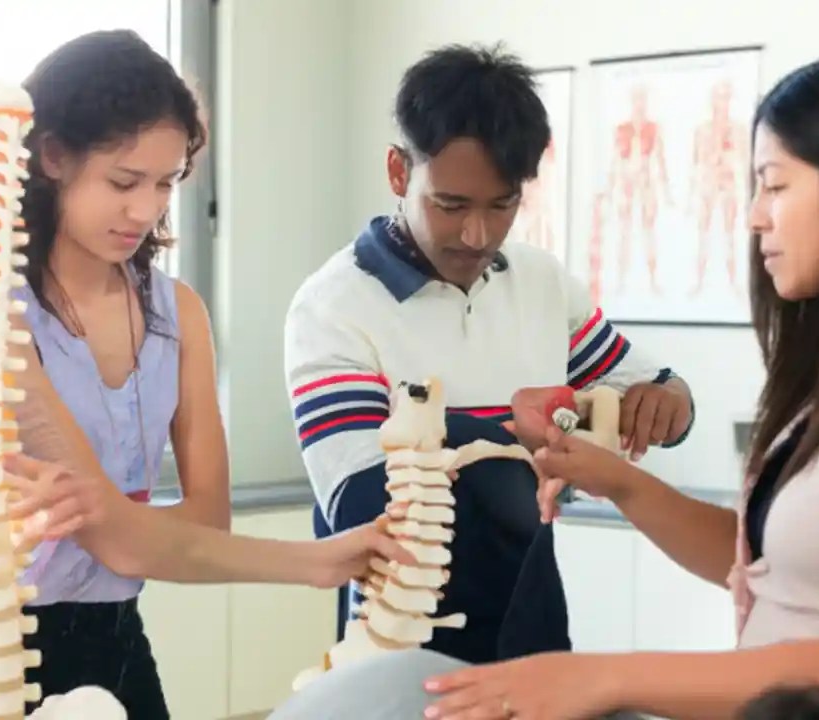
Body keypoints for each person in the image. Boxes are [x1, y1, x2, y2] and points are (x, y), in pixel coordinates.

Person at [418, 44, 819, 719]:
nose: (752, 216)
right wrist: (618, 480)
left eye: (773, 185)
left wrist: (608, 678)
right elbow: (771, 570)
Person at [0, 30, 412, 720]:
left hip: (121, 648)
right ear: (52, 155)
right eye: (123, 181)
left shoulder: (180, 317)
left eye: (165, 183)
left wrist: (109, 518)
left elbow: (202, 525)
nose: (145, 211)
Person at [283, 43, 695, 666]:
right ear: (399, 172)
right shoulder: (333, 308)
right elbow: (365, 504)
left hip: (535, 635)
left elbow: (660, 391)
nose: (477, 235)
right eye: (450, 206)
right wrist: (525, 431)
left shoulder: (540, 282)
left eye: (502, 205)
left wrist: (668, 404)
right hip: (401, 641)